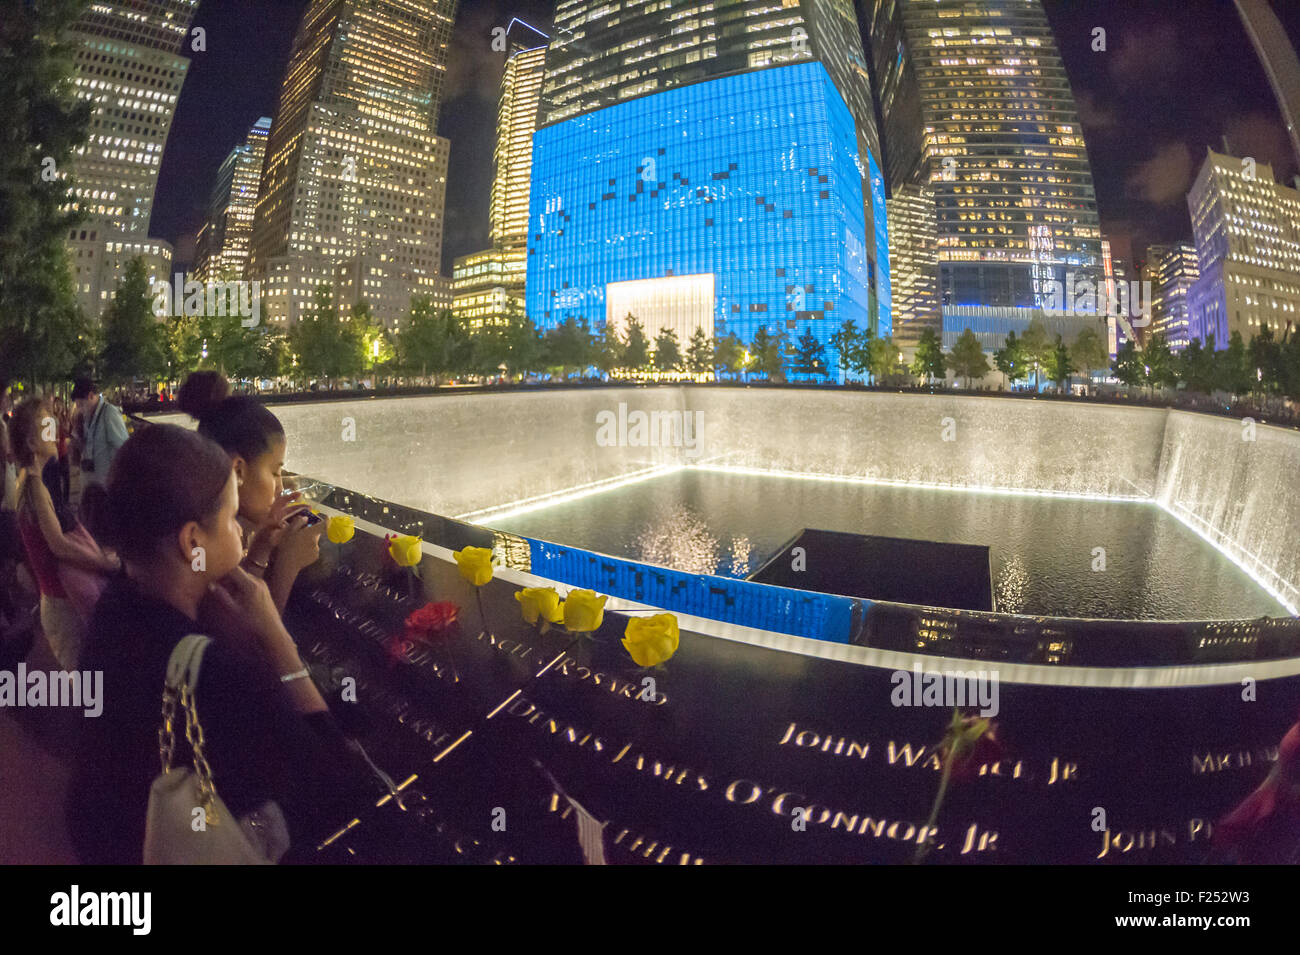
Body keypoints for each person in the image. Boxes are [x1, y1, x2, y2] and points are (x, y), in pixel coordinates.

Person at [66, 424, 374, 864]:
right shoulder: (213, 676)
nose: (240, 532)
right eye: (231, 519)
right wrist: (277, 639)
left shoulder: (116, 609)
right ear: (193, 541)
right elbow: (343, 793)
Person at [178, 374, 322, 615]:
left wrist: (262, 546)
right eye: (275, 472)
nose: (280, 487)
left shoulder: (205, 521)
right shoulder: (202, 540)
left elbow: (233, 601)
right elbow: (243, 640)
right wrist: (287, 566)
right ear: (237, 470)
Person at [10, 398, 121, 668]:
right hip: (62, 602)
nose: (54, 429)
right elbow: (58, 545)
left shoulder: (28, 480)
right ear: (31, 443)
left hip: (58, 598)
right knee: (85, 678)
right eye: (46, 426)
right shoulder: (34, 485)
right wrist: (105, 564)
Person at [70, 378, 128, 490]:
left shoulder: (109, 413)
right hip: (91, 484)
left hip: (106, 485)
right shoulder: (86, 417)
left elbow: (122, 448)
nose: (79, 408)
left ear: (91, 396)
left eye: (81, 404)